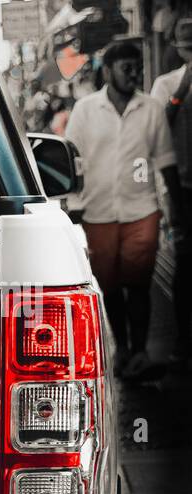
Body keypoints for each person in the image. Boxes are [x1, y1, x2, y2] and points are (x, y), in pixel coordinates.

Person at [66, 41, 182, 378]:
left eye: (137, 67)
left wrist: (177, 210)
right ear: (109, 71)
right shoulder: (86, 110)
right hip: (97, 212)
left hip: (142, 211)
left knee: (140, 285)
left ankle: (141, 352)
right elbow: (72, 159)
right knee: (112, 287)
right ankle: (123, 348)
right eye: (126, 67)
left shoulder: (151, 109)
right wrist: (71, 204)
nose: (134, 73)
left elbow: (166, 161)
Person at [152, 17, 192, 363]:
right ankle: (183, 340)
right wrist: (181, 92)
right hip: (182, 188)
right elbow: (157, 128)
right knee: (184, 263)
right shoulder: (167, 84)